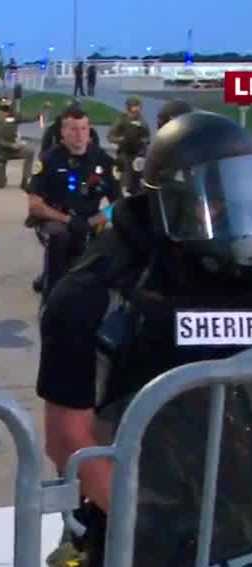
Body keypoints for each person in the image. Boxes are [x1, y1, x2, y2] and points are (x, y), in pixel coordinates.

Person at [38, 112, 252, 567]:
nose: (226, 210)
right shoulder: (95, 292)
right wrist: (148, 526)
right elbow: (68, 437)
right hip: (145, 518)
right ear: (171, 198)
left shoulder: (241, 267)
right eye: (210, 196)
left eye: (237, 190)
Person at [26, 106, 119, 301]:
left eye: (84, 129)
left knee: (117, 238)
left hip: (92, 219)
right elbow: (35, 205)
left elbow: (118, 204)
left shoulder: (103, 160)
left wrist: (95, 220)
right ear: (62, 132)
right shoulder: (49, 159)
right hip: (56, 218)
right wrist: (68, 219)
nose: (79, 135)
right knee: (60, 236)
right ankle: (52, 296)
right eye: (73, 129)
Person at [0, 98, 35, 189]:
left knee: (30, 151)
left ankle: (25, 180)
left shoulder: (13, 117)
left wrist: (40, 114)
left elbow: (28, 118)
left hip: (13, 149)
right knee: (0, 184)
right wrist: (11, 145)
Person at [107, 96, 151, 196]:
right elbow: (110, 136)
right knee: (126, 175)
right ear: (128, 108)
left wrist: (143, 141)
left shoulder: (142, 121)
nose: (136, 110)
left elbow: (147, 136)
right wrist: (121, 139)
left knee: (139, 177)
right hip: (125, 152)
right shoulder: (122, 120)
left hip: (139, 154)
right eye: (134, 107)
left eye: (138, 107)